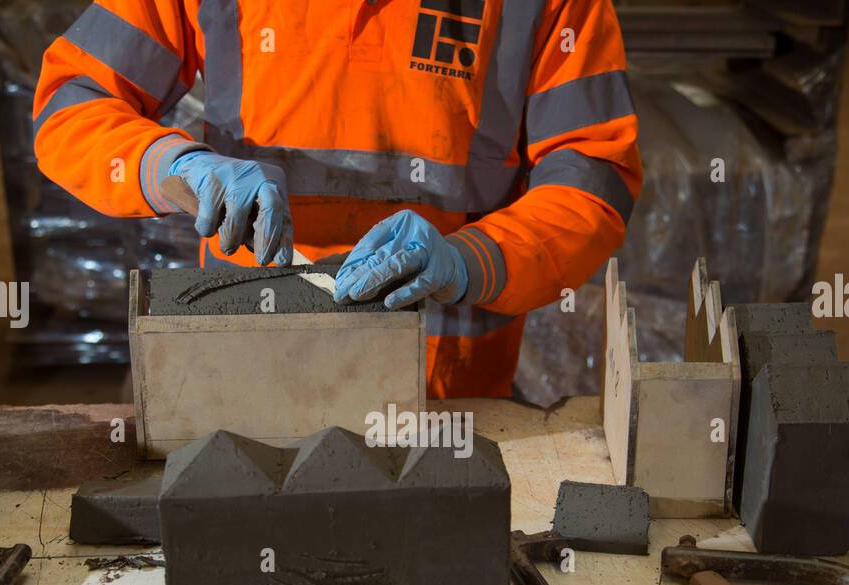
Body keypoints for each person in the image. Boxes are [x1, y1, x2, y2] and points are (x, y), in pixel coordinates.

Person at [34, 0, 641, 398]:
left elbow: (594, 174)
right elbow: (74, 103)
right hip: (244, 359)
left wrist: (473, 260)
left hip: (444, 394)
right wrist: (174, 167)